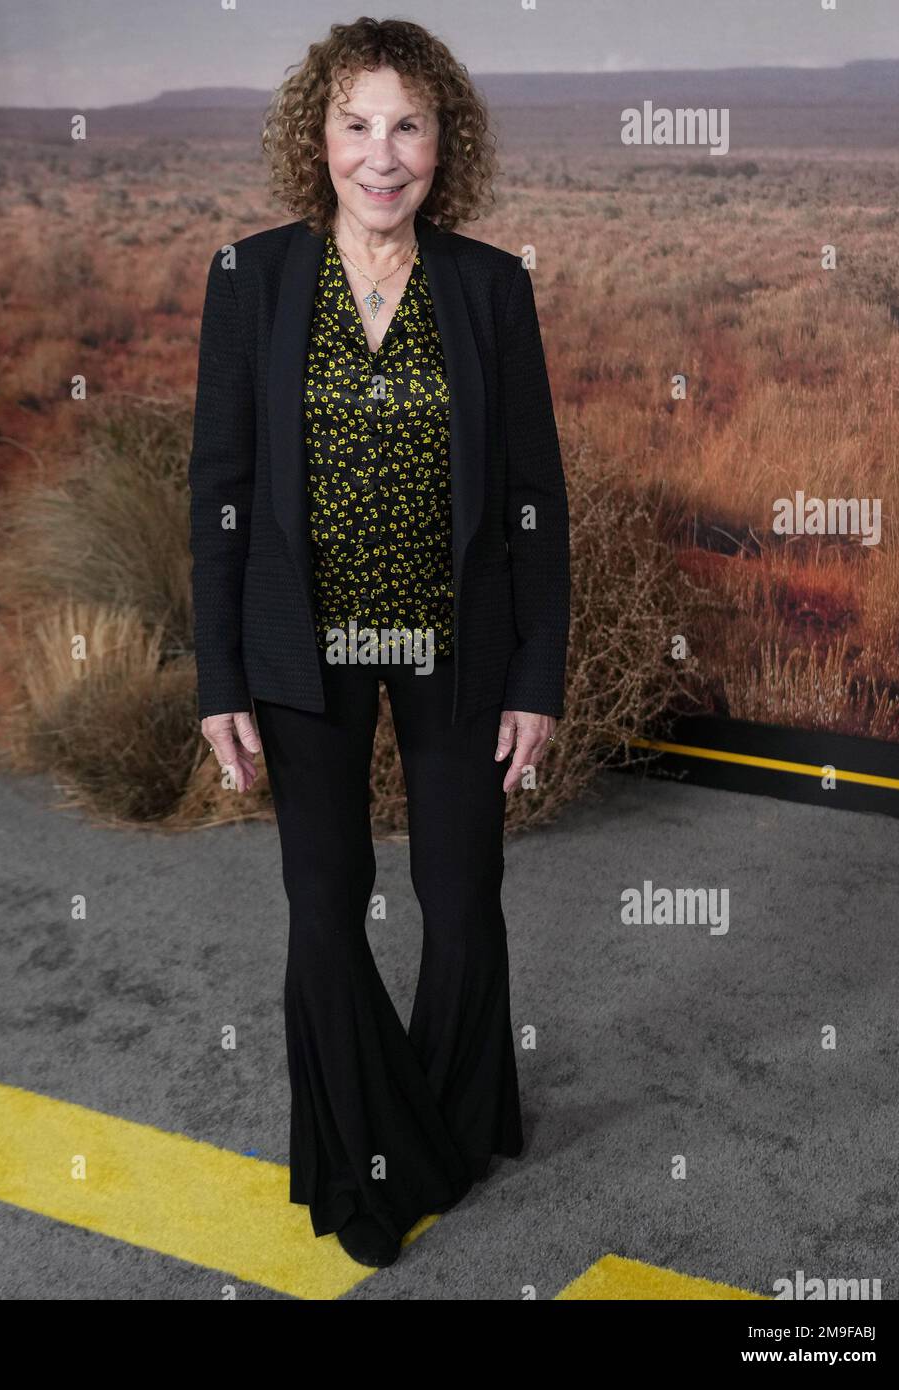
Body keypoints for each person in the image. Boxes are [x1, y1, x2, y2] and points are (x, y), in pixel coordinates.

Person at [188, 16, 570, 1269]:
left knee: (459, 897)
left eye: (406, 123)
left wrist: (535, 678)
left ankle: (452, 1127)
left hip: (454, 642)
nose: (380, 152)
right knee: (323, 901)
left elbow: (531, 498)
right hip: (301, 645)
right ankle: (364, 1163)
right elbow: (221, 489)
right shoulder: (249, 280)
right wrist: (220, 678)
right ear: (318, 137)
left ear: (441, 140)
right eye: (355, 123)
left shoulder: (487, 286)